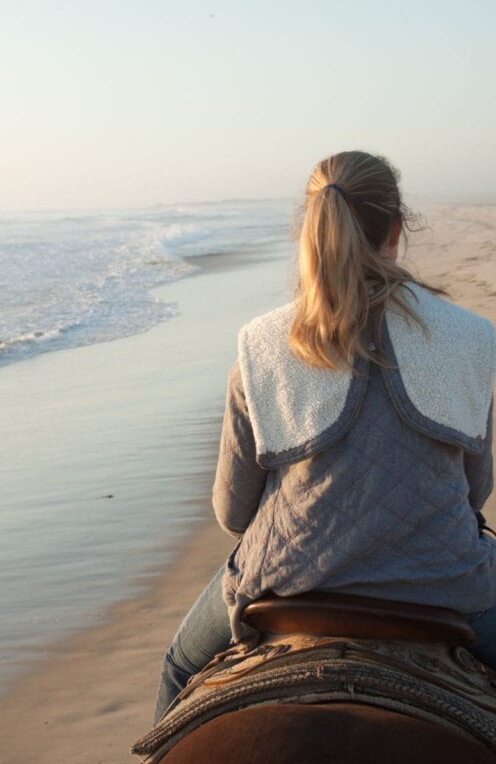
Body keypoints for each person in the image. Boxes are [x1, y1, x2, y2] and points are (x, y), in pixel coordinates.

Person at [154, 150, 496, 722]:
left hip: (286, 579)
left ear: (310, 225)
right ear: (395, 227)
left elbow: (234, 514)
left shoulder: (260, 344)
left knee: (178, 670)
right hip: (445, 582)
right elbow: (474, 492)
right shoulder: (470, 337)